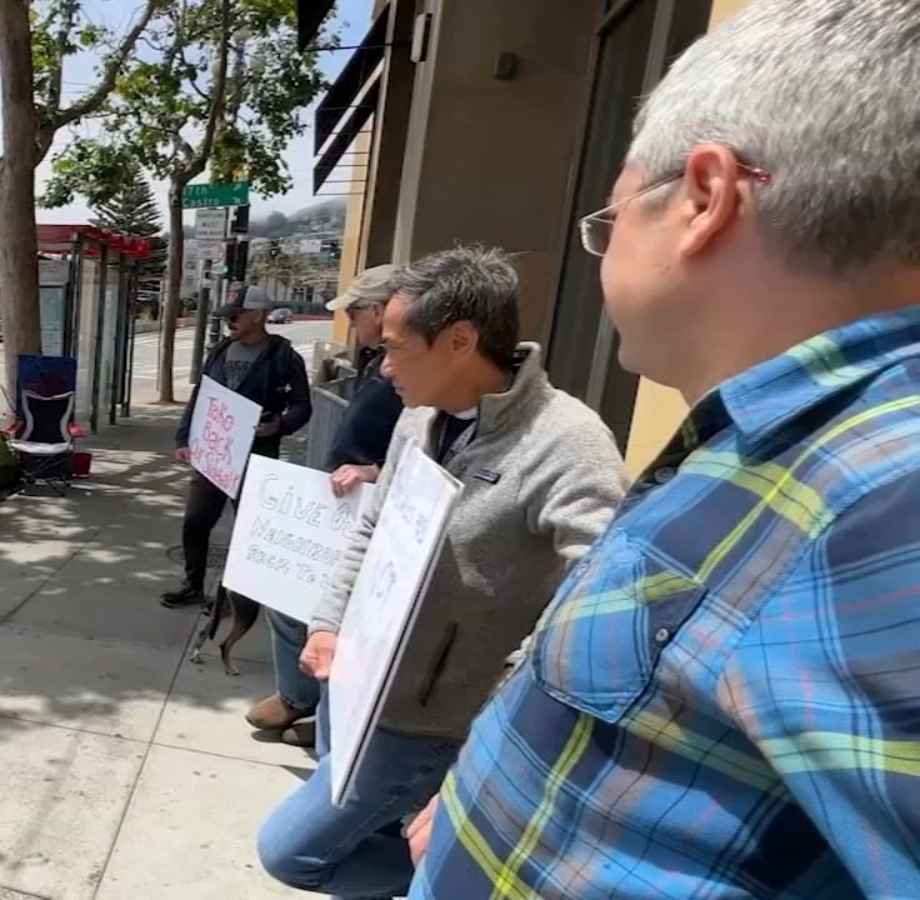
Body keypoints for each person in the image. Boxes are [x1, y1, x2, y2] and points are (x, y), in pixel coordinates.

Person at [406, 3, 920, 897]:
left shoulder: (883, 500)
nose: (601, 255)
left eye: (608, 220)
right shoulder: (781, 448)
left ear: (705, 199)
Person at [257, 246, 625, 898]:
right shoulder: (418, 416)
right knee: (358, 834)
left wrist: (500, 717)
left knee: (291, 853)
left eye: (397, 348)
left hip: (430, 720)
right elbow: (373, 531)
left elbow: (601, 594)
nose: (382, 365)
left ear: (459, 341)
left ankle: (473, 873)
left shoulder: (567, 443)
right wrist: (327, 623)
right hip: (358, 682)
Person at [245, 264, 406, 748]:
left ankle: (327, 717)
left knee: (337, 618)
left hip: (380, 514)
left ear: (382, 310)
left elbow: (433, 452)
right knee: (290, 598)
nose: (351, 321)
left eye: (356, 311)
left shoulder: (416, 372)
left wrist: (375, 471)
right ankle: (301, 698)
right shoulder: (381, 360)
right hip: (345, 506)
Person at [162, 285, 312, 609]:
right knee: (196, 521)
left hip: (256, 455)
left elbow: (303, 406)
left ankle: (233, 597)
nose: (230, 321)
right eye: (227, 316)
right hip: (214, 453)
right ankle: (192, 584)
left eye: (236, 315)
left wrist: (279, 426)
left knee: (246, 528)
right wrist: (183, 438)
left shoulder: (284, 356)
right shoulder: (219, 351)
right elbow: (200, 396)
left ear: (259, 315)